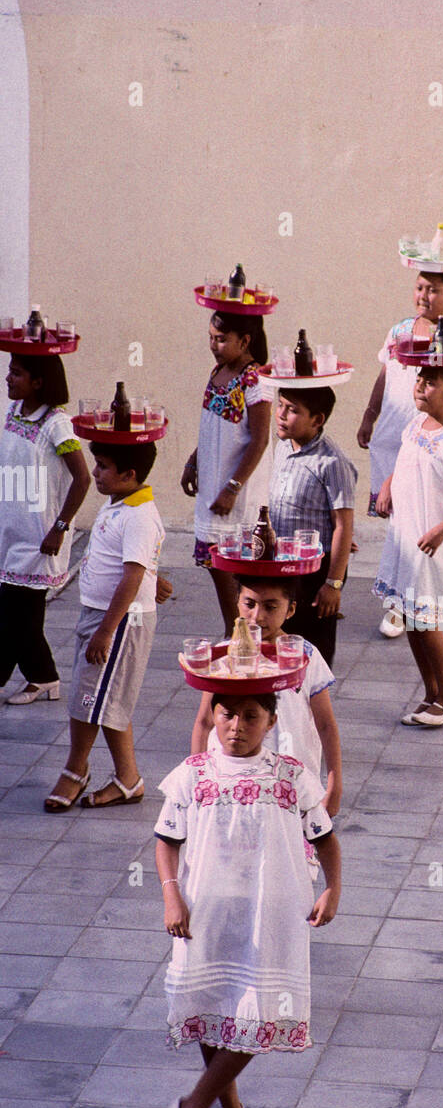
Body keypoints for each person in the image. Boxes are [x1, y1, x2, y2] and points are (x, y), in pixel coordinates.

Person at [157, 690, 340, 1108]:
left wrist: (333, 888)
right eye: (227, 714)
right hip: (207, 909)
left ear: (271, 721)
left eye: (251, 716)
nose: (237, 725)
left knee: (257, 1010)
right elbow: (166, 840)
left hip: (272, 911)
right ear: (213, 716)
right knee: (213, 1003)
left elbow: (325, 839)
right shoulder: (192, 774)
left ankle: (192, 1107)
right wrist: (171, 894)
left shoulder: (291, 776)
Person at [357, 269, 443, 636]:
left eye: (434, 290)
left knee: (432, 517)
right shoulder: (400, 330)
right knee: (399, 515)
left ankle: (429, 600)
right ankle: (400, 598)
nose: (424, 295)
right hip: (403, 437)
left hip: (439, 446)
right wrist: (371, 415)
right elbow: (387, 374)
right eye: (420, 287)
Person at [45, 440, 164, 811]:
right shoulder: (119, 503)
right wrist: (156, 582)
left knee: (86, 699)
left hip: (118, 623)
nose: (94, 473)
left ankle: (74, 771)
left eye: (103, 466)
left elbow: (131, 574)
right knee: (107, 701)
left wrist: (106, 631)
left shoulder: (140, 515)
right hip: (99, 614)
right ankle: (128, 779)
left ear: (129, 475)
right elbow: (132, 562)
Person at [373, 364, 443, 727]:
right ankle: (432, 693)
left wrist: (441, 530)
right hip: (407, 537)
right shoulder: (416, 423)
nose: (420, 388)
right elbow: (407, 460)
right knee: (409, 617)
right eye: (419, 381)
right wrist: (389, 484)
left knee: (425, 620)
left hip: (434, 545)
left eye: (431, 383)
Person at [189, 574, 341, 815]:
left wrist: (334, 785)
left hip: (290, 785)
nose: (257, 617)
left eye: (271, 607)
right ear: (237, 601)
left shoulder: (305, 656)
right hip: (231, 784)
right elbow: (205, 721)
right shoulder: (221, 656)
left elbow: (325, 725)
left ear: (290, 609)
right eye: (249, 604)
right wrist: (197, 780)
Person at [0, 353, 90, 703]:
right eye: (10, 371)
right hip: (11, 529)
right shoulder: (13, 413)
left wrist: (60, 526)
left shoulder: (57, 425)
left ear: (38, 382)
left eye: (17, 373)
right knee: (12, 612)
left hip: (40, 536)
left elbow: (82, 479)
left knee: (20, 614)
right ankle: (42, 676)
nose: (8, 379)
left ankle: (43, 678)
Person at [181, 310, 273, 634]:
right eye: (211, 338)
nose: (213, 345)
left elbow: (259, 440)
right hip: (212, 488)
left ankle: (240, 636)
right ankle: (234, 632)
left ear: (244, 341)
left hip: (237, 497)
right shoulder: (219, 371)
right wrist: (194, 460)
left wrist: (232, 488)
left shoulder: (256, 380)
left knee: (234, 576)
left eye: (221, 339)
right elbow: (213, 429)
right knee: (217, 569)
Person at [268, 385, 356, 669]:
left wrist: (333, 583)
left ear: (317, 420)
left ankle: (314, 709)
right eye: (280, 405)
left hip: (315, 572)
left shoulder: (331, 462)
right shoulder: (282, 447)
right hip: (282, 563)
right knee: (280, 647)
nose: (280, 415)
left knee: (312, 653)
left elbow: (343, 524)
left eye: (292, 410)